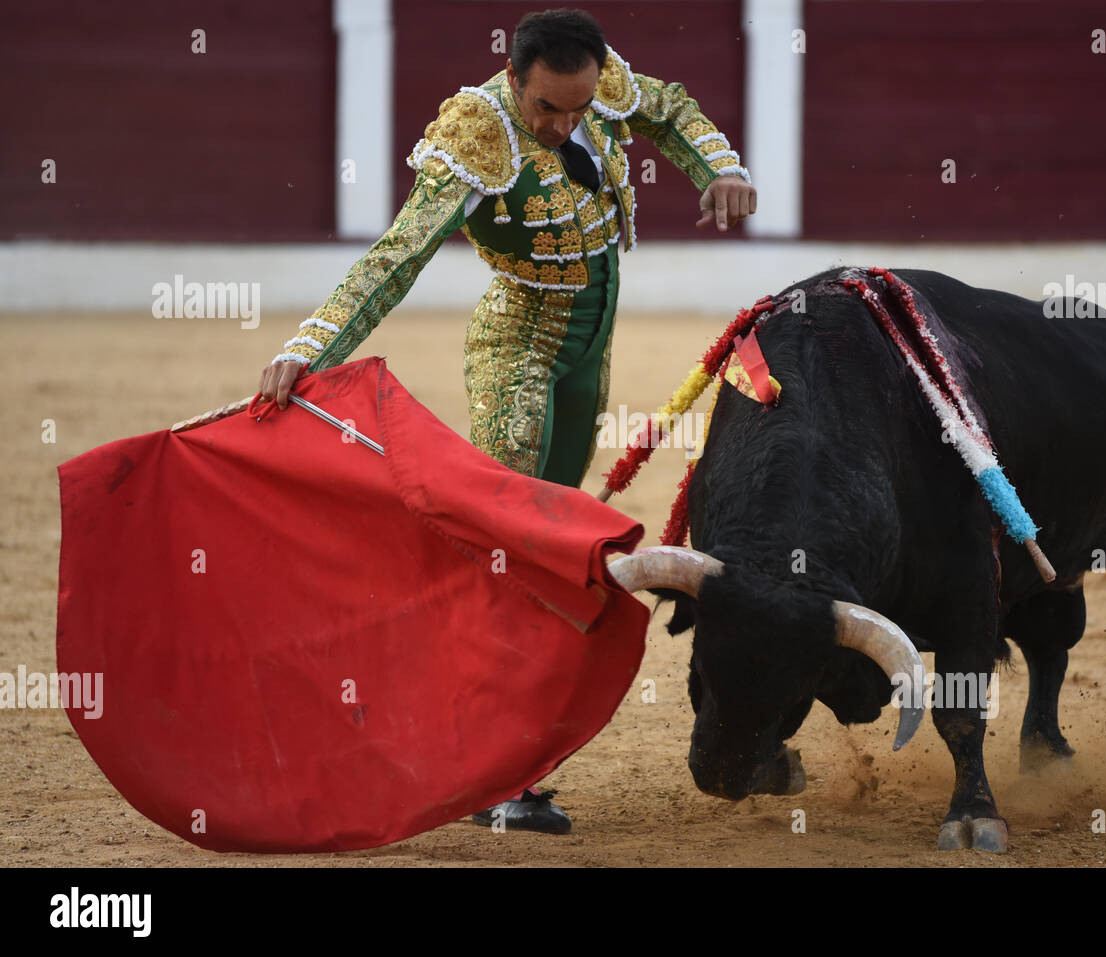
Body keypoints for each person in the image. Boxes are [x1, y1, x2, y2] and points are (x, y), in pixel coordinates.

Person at [257, 8, 756, 833]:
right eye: (547, 110)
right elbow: (399, 254)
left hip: (587, 349)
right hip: (518, 348)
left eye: (577, 108)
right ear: (516, 79)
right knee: (506, 551)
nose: (564, 125)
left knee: (549, 552)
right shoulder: (478, 129)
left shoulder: (593, 85)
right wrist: (311, 346)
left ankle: (507, 753)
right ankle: (479, 767)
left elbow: (664, 107)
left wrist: (718, 167)